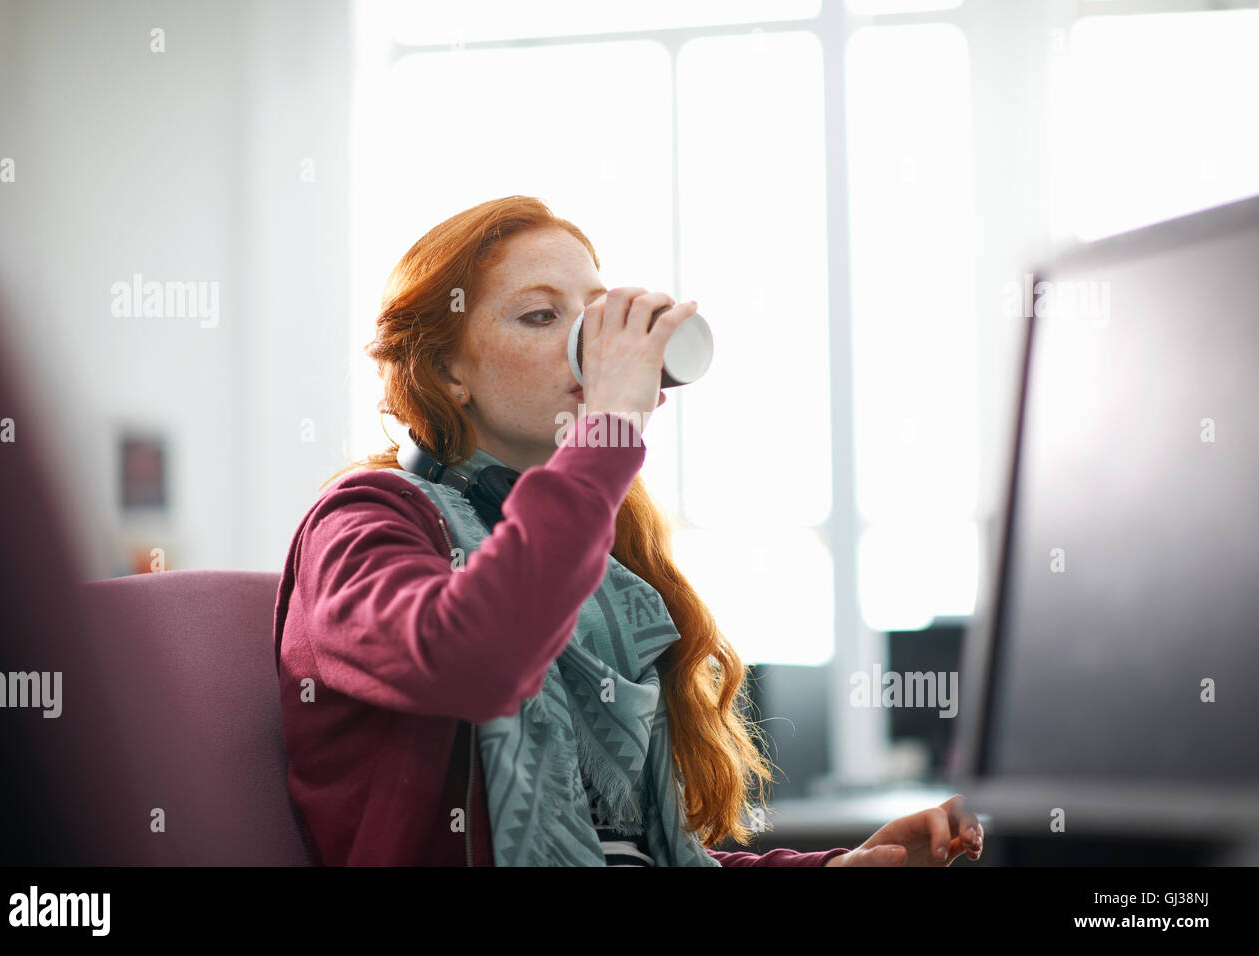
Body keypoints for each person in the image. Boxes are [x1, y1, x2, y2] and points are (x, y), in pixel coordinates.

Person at [273, 195, 985, 867]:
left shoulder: (592, 557)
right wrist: (608, 429)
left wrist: (843, 865)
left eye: (594, 316)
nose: (591, 348)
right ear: (444, 369)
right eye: (540, 317)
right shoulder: (364, 519)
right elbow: (472, 659)